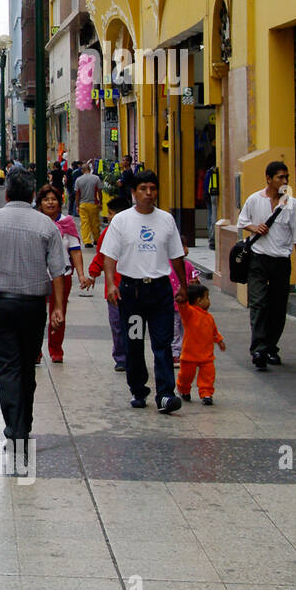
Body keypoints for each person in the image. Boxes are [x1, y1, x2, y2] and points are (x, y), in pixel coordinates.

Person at [0, 169, 67, 470]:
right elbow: (58, 270)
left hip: (0, 305)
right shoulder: (46, 225)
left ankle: (14, 428)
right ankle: (24, 426)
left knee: (7, 366)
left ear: (7, 195)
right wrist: (58, 307)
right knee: (27, 364)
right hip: (33, 306)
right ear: (33, 196)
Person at [101, 170, 188, 414]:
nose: (149, 194)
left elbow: (177, 255)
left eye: (153, 188)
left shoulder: (166, 220)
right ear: (133, 192)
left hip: (159, 291)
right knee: (135, 342)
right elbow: (109, 256)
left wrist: (183, 285)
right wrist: (111, 284)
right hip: (133, 293)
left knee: (162, 343)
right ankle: (138, 390)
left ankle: (165, 395)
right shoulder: (121, 221)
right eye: (143, 189)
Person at [236, 161, 296, 371]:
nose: (285, 181)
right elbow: (242, 221)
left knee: (277, 307)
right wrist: (254, 227)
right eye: (280, 177)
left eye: (287, 177)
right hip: (258, 259)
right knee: (258, 303)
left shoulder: (291, 204)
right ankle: (258, 349)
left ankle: (271, 347)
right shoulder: (254, 200)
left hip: (281, 261)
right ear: (269, 179)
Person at [34, 185, 93, 363]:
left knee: (58, 312)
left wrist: (82, 274)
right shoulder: (35, 221)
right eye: (46, 199)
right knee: (35, 314)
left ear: (60, 203)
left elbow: (75, 250)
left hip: (62, 274)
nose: (50, 203)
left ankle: (56, 349)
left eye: (53, 199)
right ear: (40, 203)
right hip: (37, 275)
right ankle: (35, 350)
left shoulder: (67, 222)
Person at [89, 195, 131, 372]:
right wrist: (92, 274)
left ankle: (132, 355)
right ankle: (121, 357)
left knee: (131, 325)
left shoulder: (132, 232)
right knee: (116, 324)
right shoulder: (107, 233)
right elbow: (101, 256)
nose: (109, 217)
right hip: (113, 290)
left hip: (131, 288)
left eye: (112, 213)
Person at [176, 283, 226, 407]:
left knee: (208, 376)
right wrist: (182, 301)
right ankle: (183, 389)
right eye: (207, 297)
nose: (209, 301)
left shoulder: (209, 317)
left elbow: (214, 331)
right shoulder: (190, 314)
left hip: (206, 356)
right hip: (189, 354)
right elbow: (184, 308)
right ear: (198, 300)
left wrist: (219, 340)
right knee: (186, 376)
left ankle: (206, 393)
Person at [169, 238, 200, 363]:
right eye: (182, 246)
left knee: (187, 329)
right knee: (175, 330)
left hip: (186, 305)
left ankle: (186, 351)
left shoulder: (188, 265)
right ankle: (175, 353)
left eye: (185, 246)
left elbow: (195, 279)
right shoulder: (166, 266)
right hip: (172, 305)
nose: (185, 249)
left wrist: (195, 283)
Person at [75, 161, 102, 247]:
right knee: (95, 222)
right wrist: (100, 201)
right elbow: (99, 191)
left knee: (84, 223)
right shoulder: (96, 178)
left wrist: (77, 205)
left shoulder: (78, 180)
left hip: (83, 204)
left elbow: (77, 194)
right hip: (93, 203)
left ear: (82, 170)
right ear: (89, 169)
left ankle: (87, 241)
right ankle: (96, 239)